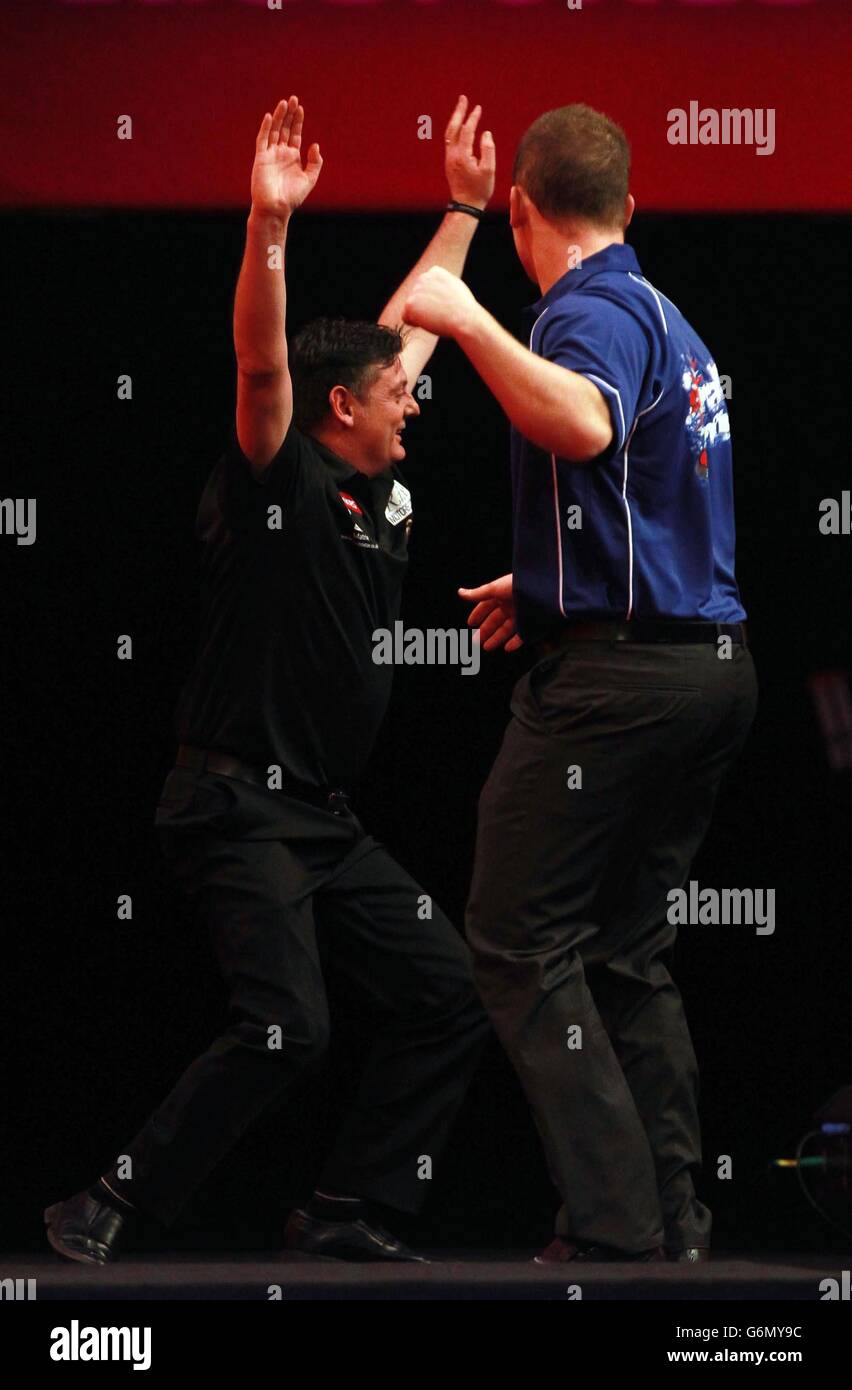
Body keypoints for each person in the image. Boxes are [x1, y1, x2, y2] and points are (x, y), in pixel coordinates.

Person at [44, 93, 494, 1266]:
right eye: (395, 397)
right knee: (289, 1025)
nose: (414, 404)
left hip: (324, 822)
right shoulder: (276, 477)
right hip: (234, 802)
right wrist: (269, 222)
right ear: (339, 407)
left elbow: (411, 329)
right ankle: (109, 1198)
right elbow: (261, 357)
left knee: (449, 990)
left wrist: (462, 211)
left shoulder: (377, 482)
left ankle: (345, 1205)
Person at [403, 103, 758, 1264]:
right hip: (704, 670)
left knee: (516, 940)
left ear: (517, 209)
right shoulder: (670, 316)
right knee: (620, 950)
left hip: (619, 689)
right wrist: (558, 582)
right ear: (630, 206)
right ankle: (674, 1225)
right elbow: (648, 491)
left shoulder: (587, 310)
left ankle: (616, 1226)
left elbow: (588, 424)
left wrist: (467, 320)